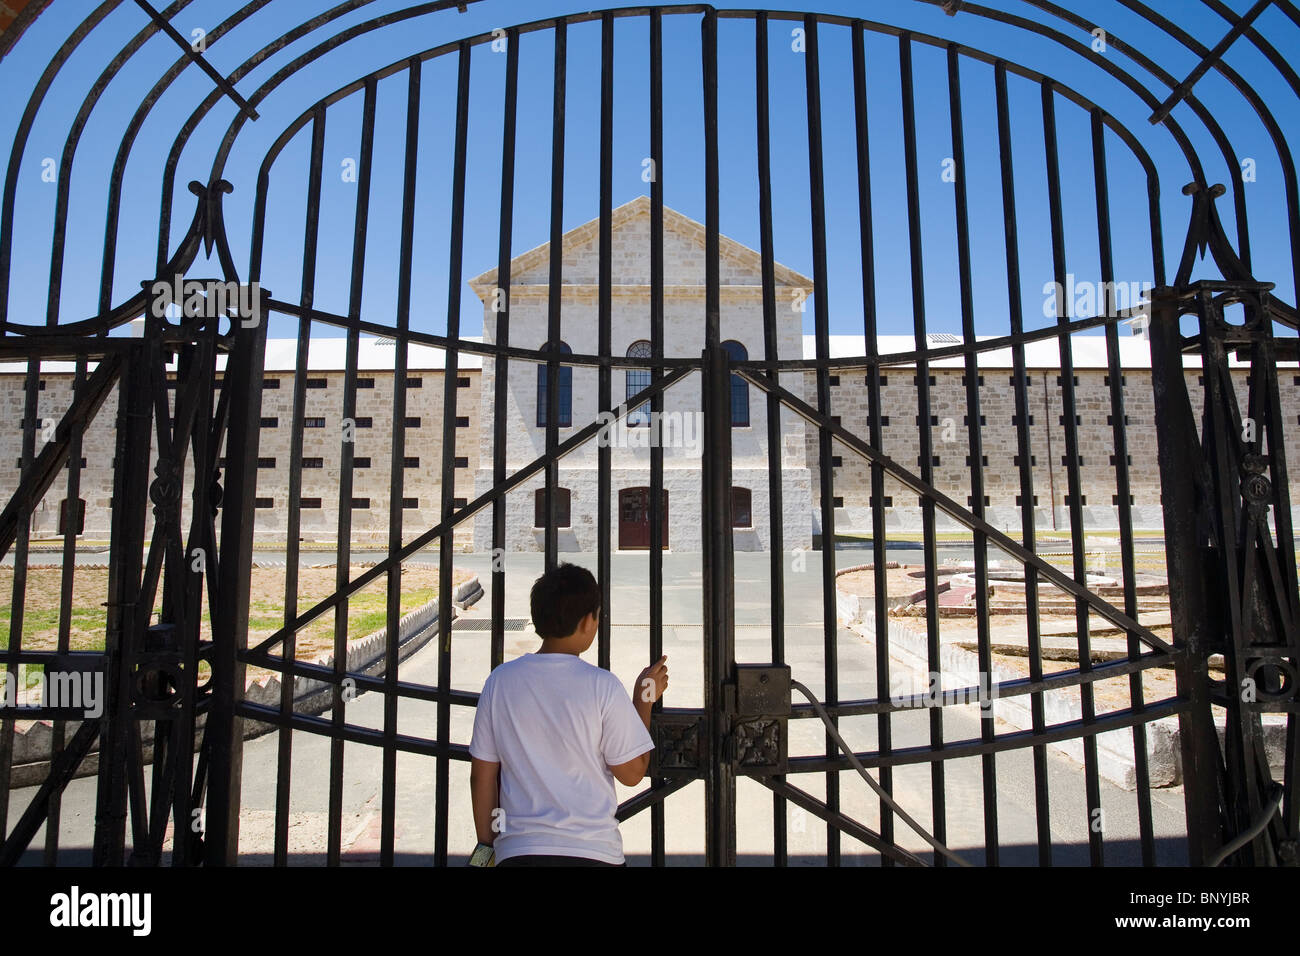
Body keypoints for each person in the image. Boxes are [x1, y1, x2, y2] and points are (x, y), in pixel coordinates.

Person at [468, 562, 668, 866]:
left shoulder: (500, 681)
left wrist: (489, 846)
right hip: (593, 852)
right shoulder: (602, 686)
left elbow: (482, 775)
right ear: (589, 621)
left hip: (519, 851)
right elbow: (632, 772)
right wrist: (644, 700)